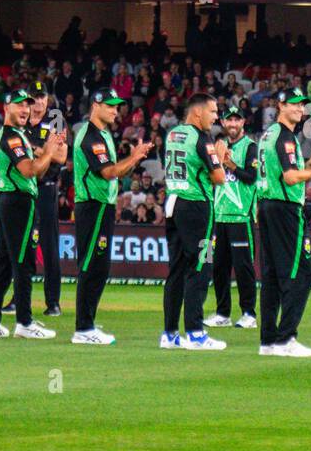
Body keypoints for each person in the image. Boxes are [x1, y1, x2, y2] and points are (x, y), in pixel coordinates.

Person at [255, 88, 311, 357]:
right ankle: (285, 338)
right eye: (294, 104)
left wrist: (309, 161)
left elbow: (283, 169)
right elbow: (289, 178)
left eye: (303, 105)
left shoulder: (269, 134)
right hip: (285, 209)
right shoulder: (286, 137)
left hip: (267, 206)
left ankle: (268, 340)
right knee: (299, 273)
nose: (300, 109)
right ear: (281, 105)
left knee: (271, 275)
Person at [0, 89, 66, 339]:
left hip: (13, 199)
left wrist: (45, 155)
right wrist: (48, 151)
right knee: (24, 261)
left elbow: (42, 168)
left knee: (4, 263)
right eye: (19, 105)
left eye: (27, 106)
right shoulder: (12, 136)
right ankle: (24, 322)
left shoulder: (20, 133)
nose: (25, 109)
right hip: (18, 201)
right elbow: (30, 170)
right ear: (6, 108)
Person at [71, 88, 154, 345]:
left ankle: (88, 322)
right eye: (110, 106)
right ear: (96, 105)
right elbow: (109, 172)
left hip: (101, 206)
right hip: (92, 206)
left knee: (100, 266)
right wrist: (135, 157)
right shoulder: (91, 136)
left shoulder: (103, 134)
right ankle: (83, 328)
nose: (116, 111)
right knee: (91, 265)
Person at [160, 92, 230, 350]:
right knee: (201, 266)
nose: (216, 117)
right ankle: (196, 333)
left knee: (176, 270)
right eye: (213, 111)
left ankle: (169, 334)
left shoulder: (173, 134)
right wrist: (220, 156)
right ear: (198, 112)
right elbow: (219, 177)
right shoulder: (203, 139)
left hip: (174, 203)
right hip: (197, 206)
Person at [3, 82, 64, 317]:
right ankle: (18, 300)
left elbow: (61, 155)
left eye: (42, 98)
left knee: (49, 245)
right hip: (24, 189)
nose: (38, 103)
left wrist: (36, 150)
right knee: (20, 246)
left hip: (46, 189)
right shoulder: (20, 121)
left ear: (48, 100)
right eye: (34, 98)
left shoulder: (56, 118)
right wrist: (43, 150)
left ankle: (53, 302)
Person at [204, 105, 259, 330]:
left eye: (237, 120)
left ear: (243, 123)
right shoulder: (219, 146)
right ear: (224, 124)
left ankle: (249, 313)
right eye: (229, 121)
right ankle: (222, 313)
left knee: (244, 267)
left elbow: (251, 177)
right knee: (219, 267)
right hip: (220, 215)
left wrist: (229, 163)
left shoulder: (250, 147)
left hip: (241, 216)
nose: (233, 124)